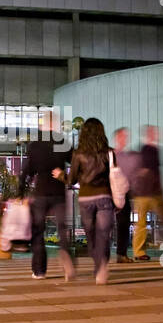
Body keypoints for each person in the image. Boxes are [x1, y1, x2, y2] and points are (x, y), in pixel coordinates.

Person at [21, 110, 74, 280]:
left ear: (42, 125)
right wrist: (66, 176)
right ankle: (65, 254)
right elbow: (76, 161)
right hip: (58, 191)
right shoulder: (62, 141)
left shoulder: (35, 144)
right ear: (55, 125)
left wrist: (20, 193)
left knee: (38, 231)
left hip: (41, 193)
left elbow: (26, 171)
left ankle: (39, 270)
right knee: (62, 228)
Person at [70, 117, 116, 284]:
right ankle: (102, 266)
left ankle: (99, 267)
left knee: (91, 236)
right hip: (105, 196)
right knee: (104, 235)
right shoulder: (109, 152)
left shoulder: (78, 153)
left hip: (86, 199)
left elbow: (71, 180)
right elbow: (114, 177)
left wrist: (61, 175)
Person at [132, 125, 163, 261]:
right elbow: (145, 171)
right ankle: (139, 252)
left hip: (151, 192)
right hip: (145, 193)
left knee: (143, 223)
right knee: (141, 223)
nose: (156, 135)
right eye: (153, 133)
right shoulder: (146, 150)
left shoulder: (154, 150)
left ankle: (141, 251)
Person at [111, 128, 140, 264]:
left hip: (124, 192)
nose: (125, 139)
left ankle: (121, 253)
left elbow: (133, 176)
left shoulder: (128, 156)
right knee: (109, 222)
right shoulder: (112, 154)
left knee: (124, 223)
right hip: (112, 191)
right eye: (122, 136)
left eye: (126, 136)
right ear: (117, 138)